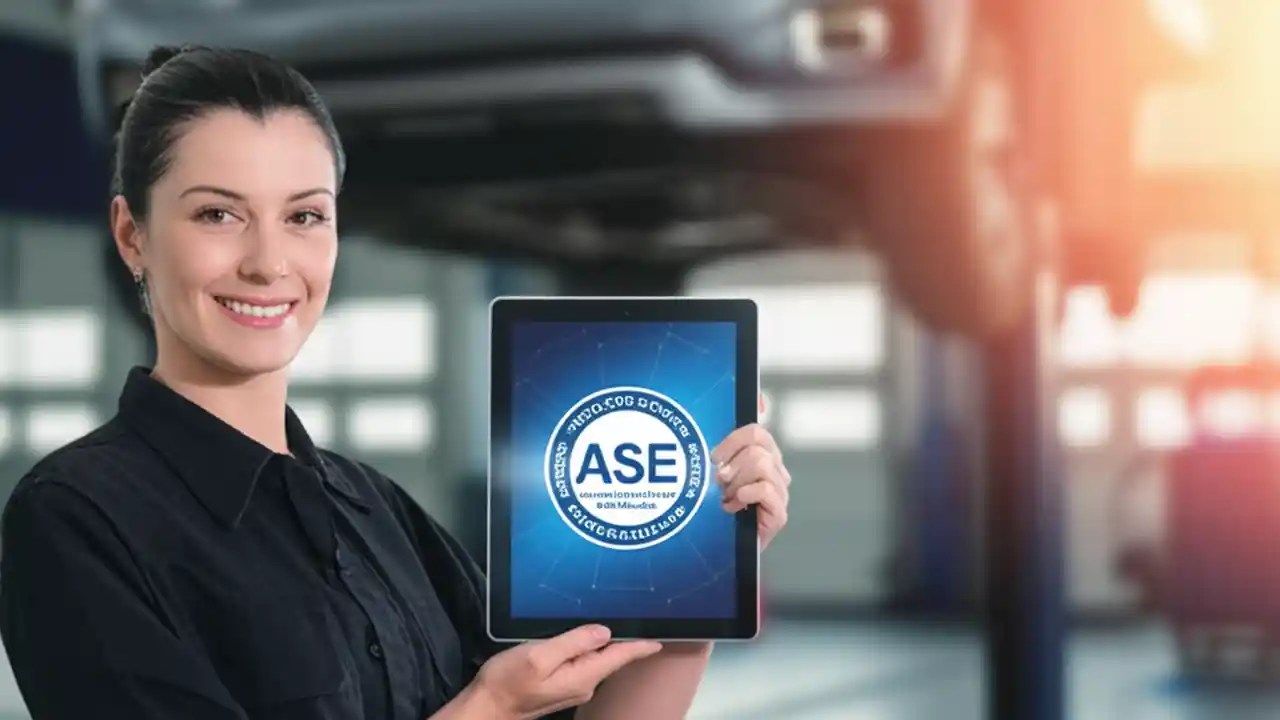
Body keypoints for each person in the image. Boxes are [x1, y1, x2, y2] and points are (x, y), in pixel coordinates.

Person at [0, 44, 793, 720]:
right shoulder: (75, 519)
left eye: (305, 216)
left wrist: (697, 571)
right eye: (218, 214)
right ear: (132, 234)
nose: (270, 263)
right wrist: (485, 709)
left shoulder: (376, 510)